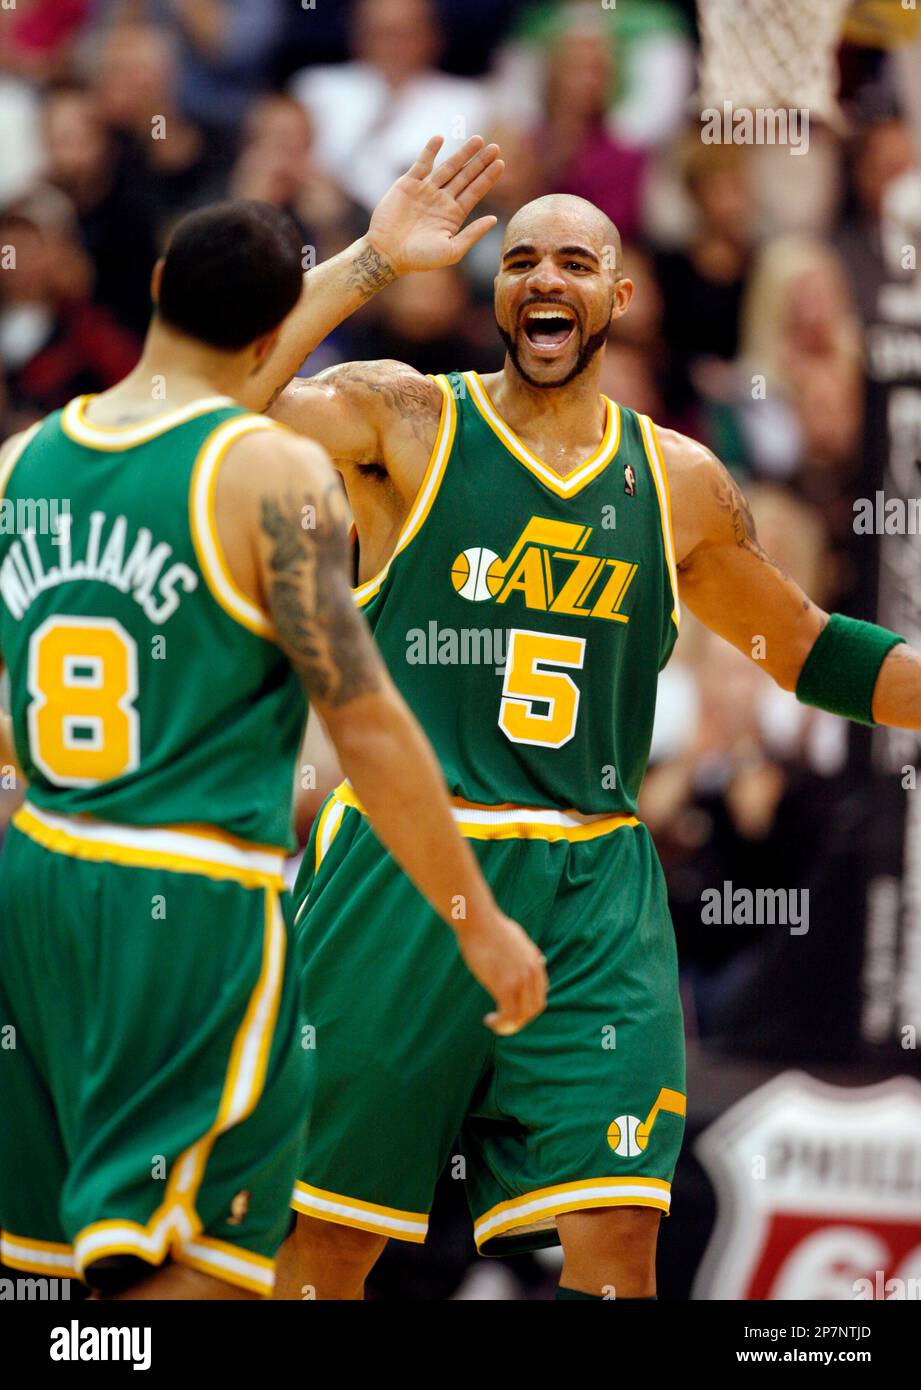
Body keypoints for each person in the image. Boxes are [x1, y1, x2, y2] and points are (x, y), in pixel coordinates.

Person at [239, 143, 921, 1300]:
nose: (543, 278)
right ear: (498, 291)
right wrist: (366, 262)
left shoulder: (680, 482)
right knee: (325, 1246)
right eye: (519, 261)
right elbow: (214, 412)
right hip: (410, 865)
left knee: (617, 1241)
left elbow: (809, 654)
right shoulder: (402, 418)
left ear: (620, 293)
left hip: (593, 885)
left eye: (574, 260)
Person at [0, 145, 546, 1299]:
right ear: (269, 342)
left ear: (152, 290)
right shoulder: (277, 476)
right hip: (190, 901)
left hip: (38, 879)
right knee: (215, 1267)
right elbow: (371, 726)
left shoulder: (23, 466)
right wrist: (476, 917)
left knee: (57, 1280)